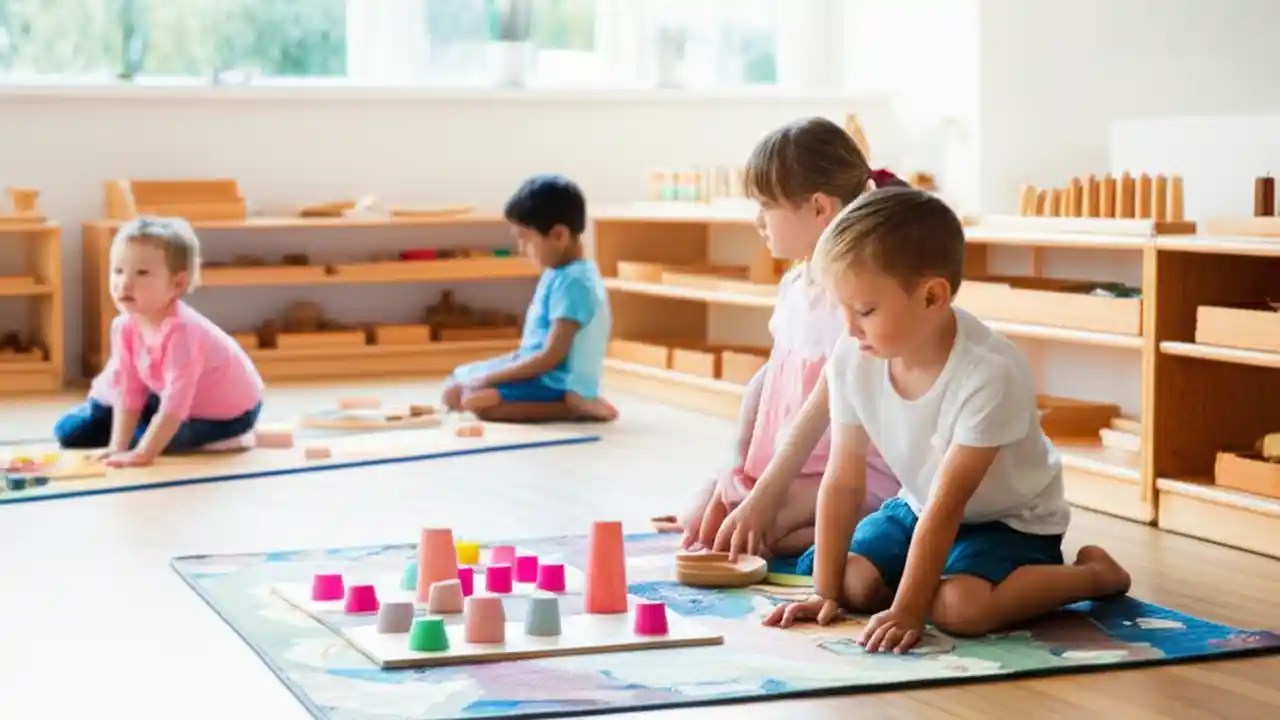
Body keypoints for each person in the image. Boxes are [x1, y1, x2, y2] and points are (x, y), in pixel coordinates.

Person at [763, 187, 1131, 652]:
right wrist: (824, 593)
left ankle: (1092, 575)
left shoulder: (990, 371)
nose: (849, 327)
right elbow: (843, 480)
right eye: (842, 308)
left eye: (866, 310)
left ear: (932, 296)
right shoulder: (854, 356)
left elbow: (949, 503)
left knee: (958, 609)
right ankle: (923, 579)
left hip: (1009, 521)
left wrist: (908, 610)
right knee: (851, 584)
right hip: (915, 506)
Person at [679, 116, 904, 559]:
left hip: (846, 468)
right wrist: (739, 468)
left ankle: (850, 531)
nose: (758, 220)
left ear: (819, 208)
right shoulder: (795, 286)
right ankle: (804, 528)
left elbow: (823, 408)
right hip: (787, 464)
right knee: (700, 518)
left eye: (766, 205)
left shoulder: (856, 297)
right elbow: (769, 380)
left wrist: (764, 498)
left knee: (760, 533)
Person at [55, 216, 264, 466]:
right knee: (70, 432)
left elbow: (176, 403)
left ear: (177, 284)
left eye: (142, 273)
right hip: (165, 397)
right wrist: (116, 447)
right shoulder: (124, 325)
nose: (125, 283)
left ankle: (236, 437)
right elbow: (128, 387)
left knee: (149, 440)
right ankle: (133, 431)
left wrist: (141, 454)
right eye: (118, 271)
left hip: (225, 414)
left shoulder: (183, 332)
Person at [442, 174, 617, 423]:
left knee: (473, 400)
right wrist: (494, 372)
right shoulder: (558, 271)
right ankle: (567, 404)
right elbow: (532, 349)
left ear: (558, 235)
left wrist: (490, 378)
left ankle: (574, 406)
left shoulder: (575, 282)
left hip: (555, 381)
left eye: (525, 238)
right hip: (534, 369)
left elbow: (550, 357)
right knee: (454, 386)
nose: (521, 248)